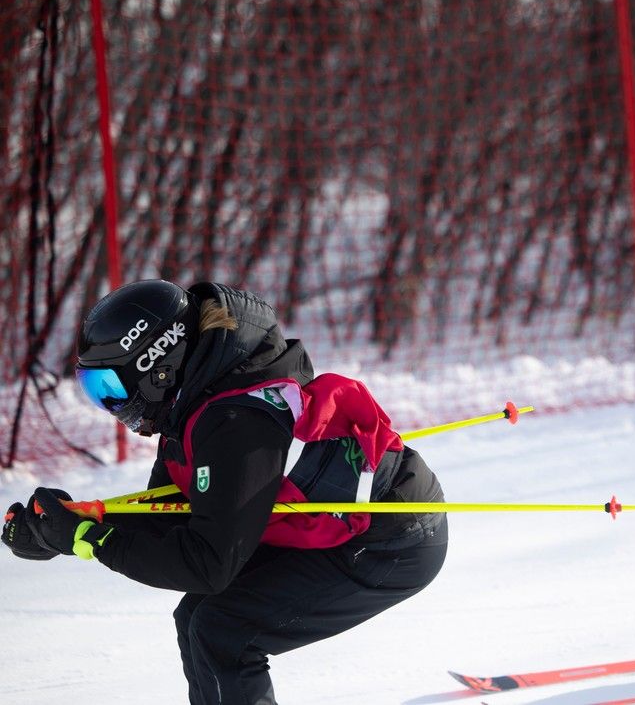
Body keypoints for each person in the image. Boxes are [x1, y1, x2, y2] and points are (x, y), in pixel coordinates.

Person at [2, 279, 448, 703]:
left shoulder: (234, 423)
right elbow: (172, 514)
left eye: (109, 389)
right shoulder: (195, 399)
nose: (112, 408)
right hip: (329, 527)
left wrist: (89, 540)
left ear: (156, 365)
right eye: (95, 392)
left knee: (224, 629)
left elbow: (207, 564)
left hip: (392, 539)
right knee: (199, 617)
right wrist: (72, 524)